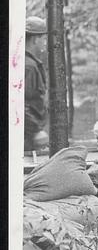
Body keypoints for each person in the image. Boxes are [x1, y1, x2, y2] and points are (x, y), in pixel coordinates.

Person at [24, 16, 49, 153]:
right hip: (28, 136)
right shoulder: (29, 67)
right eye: (43, 38)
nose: (45, 42)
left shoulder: (28, 63)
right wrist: (35, 131)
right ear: (35, 39)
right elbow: (20, 105)